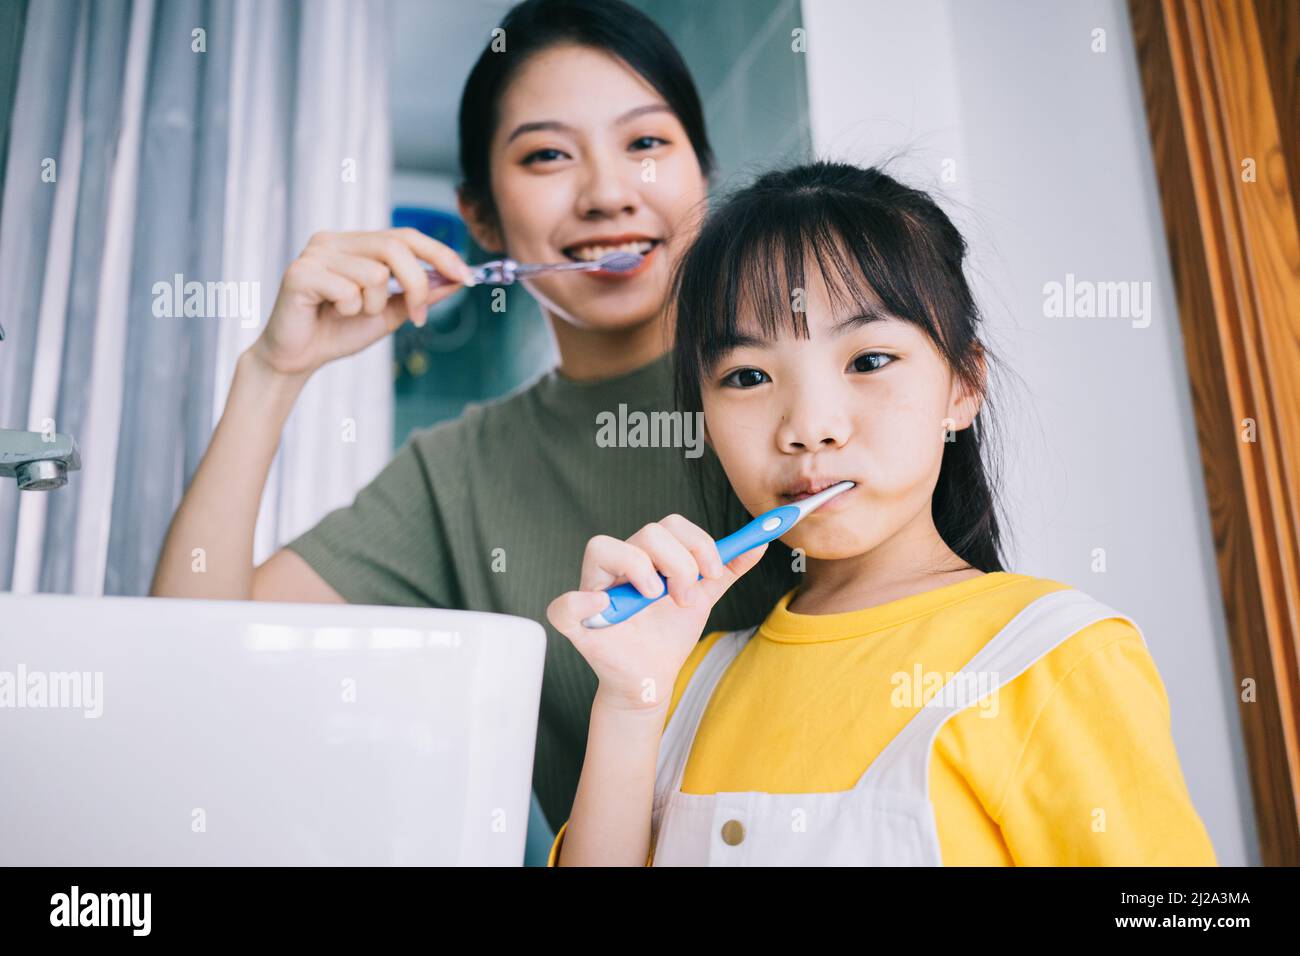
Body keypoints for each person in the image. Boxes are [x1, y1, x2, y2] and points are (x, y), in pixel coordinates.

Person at [149, 0, 798, 837]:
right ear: (483, 218)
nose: (607, 193)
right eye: (548, 155)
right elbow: (186, 670)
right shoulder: (457, 474)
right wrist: (272, 373)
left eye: (645, 143)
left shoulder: (814, 391)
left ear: (700, 176)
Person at [544, 161, 1218, 866]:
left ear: (962, 385)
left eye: (867, 360)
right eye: (747, 376)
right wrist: (630, 705)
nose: (809, 426)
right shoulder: (685, 679)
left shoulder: (1054, 656)